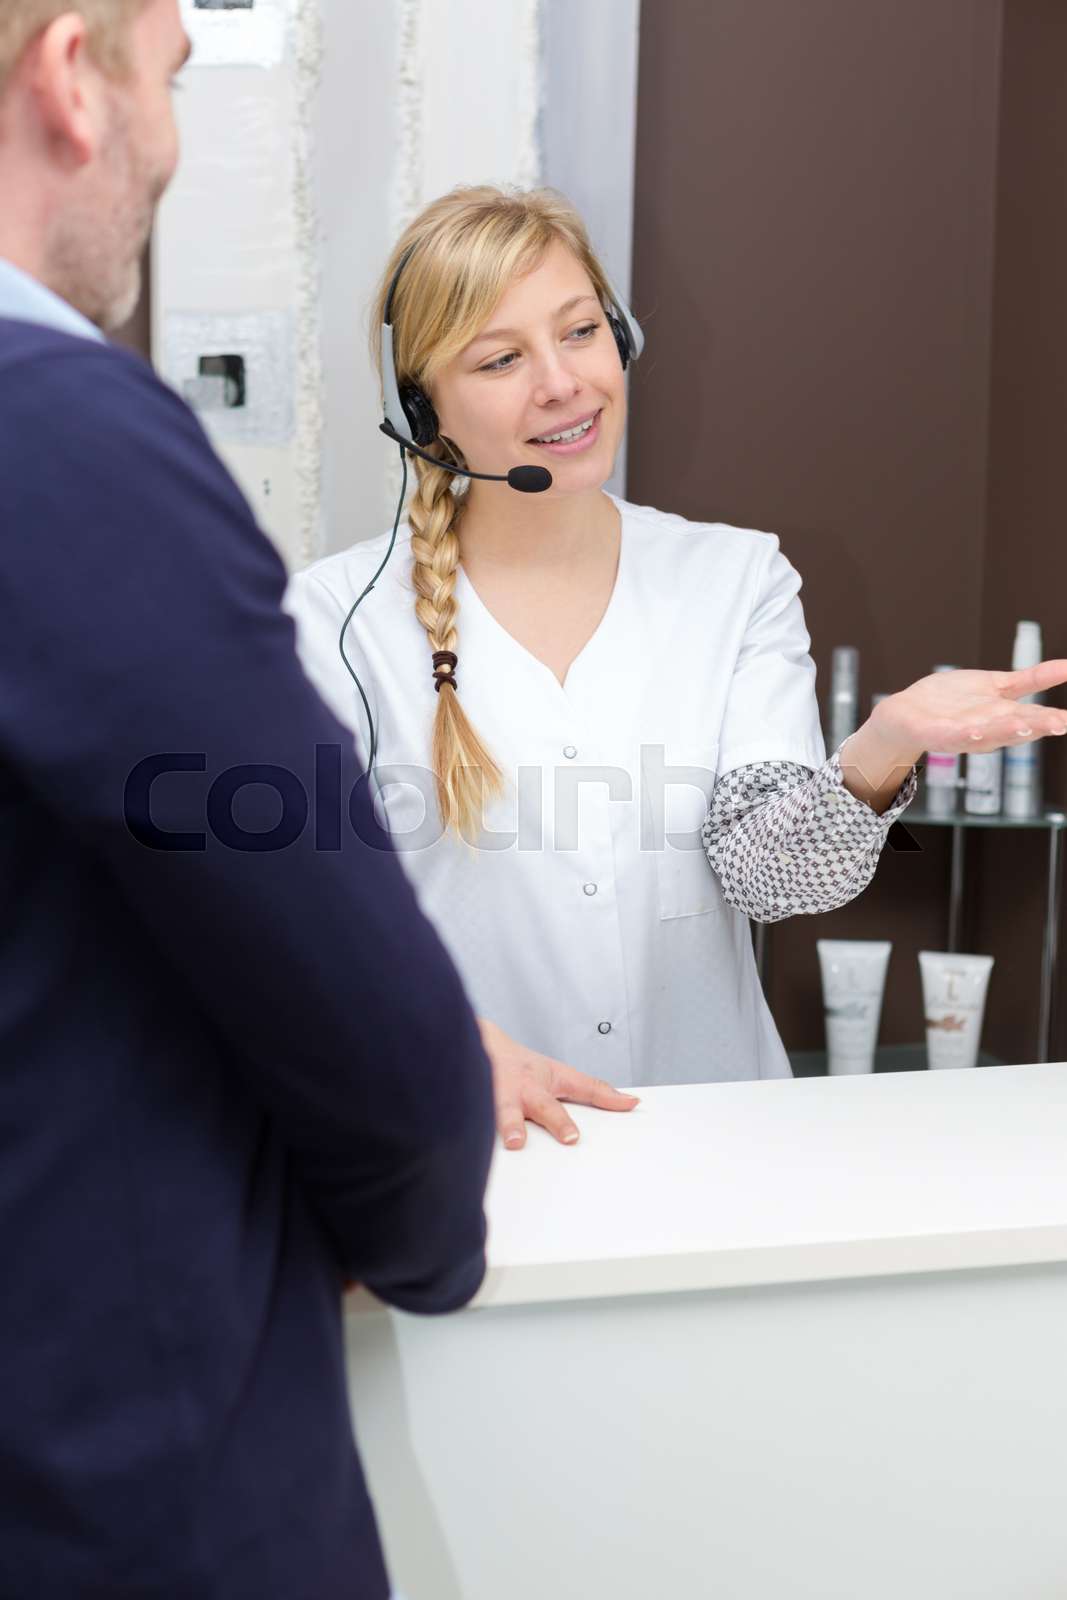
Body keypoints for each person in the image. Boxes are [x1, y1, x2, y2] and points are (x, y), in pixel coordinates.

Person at [0, 5, 496, 1597]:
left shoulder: (728, 578)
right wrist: (419, 1227)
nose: (168, 148)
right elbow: (353, 1004)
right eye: (171, 82)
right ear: (74, 77)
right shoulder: (62, 443)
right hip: (109, 1474)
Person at [288, 183, 1067, 1127]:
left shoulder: (734, 579)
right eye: (500, 359)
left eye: (580, 332)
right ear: (421, 410)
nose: (562, 383)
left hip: (714, 1145)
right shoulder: (334, 618)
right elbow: (300, 920)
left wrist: (881, 747)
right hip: (467, 1142)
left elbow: (770, 877)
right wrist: (433, 1030)